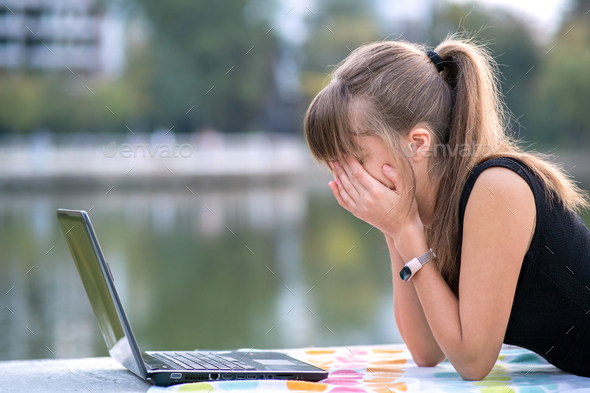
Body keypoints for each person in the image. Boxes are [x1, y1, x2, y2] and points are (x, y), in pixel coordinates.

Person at [303, 31, 590, 380]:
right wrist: (396, 228)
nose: (348, 176)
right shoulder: (426, 204)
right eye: (337, 163)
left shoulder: (495, 189)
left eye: (357, 159)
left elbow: (472, 361)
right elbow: (427, 350)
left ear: (417, 144)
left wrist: (405, 232)